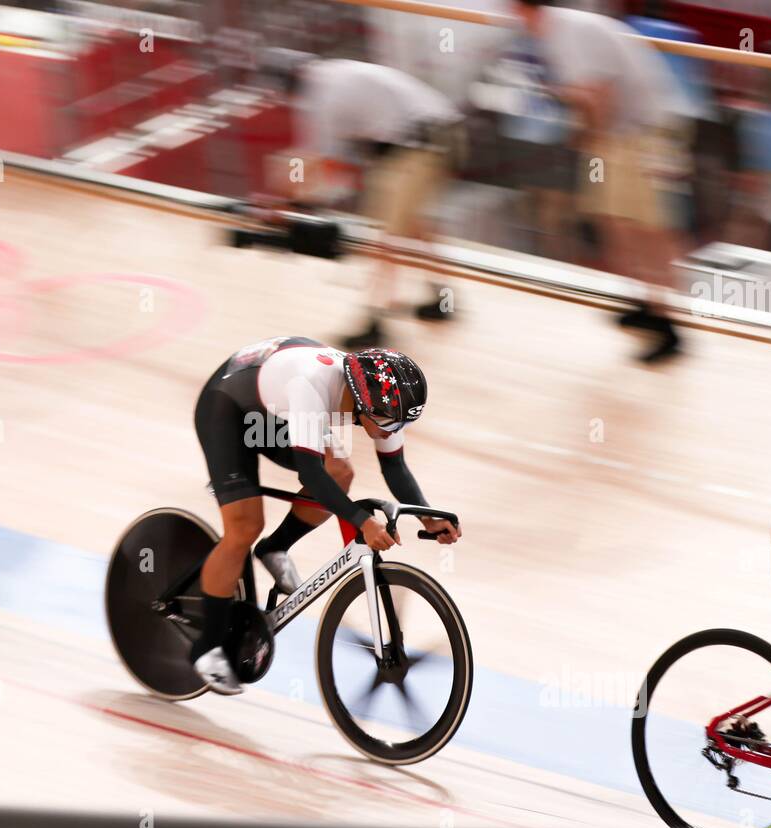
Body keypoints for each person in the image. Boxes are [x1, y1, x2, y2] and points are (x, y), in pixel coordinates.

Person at [190, 336, 461, 694]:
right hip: (227, 408)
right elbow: (311, 476)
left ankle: (275, 548)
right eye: (388, 424)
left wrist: (427, 517)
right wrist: (363, 522)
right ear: (365, 405)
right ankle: (206, 648)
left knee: (341, 471)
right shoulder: (312, 386)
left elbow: (395, 468)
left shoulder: (382, 402)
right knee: (245, 525)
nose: (392, 432)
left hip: (274, 408)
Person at [509, 0, 691, 362]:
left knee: (646, 227)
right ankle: (647, 304)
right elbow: (589, 94)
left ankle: (669, 325)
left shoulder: (564, 32)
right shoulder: (561, 28)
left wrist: (588, 140)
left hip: (640, 134)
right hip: (625, 133)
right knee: (616, 222)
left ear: (522, 9)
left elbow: (597, 95)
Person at [272, 56, 467, 348]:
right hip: (437, 134)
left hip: (418, 144)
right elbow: (329, 161)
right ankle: (442, 298)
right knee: (411, 226)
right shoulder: (331, 73)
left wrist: (295, 200)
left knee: (387, 239)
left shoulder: (319, 95)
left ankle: (376, 323)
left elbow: (325, 162)